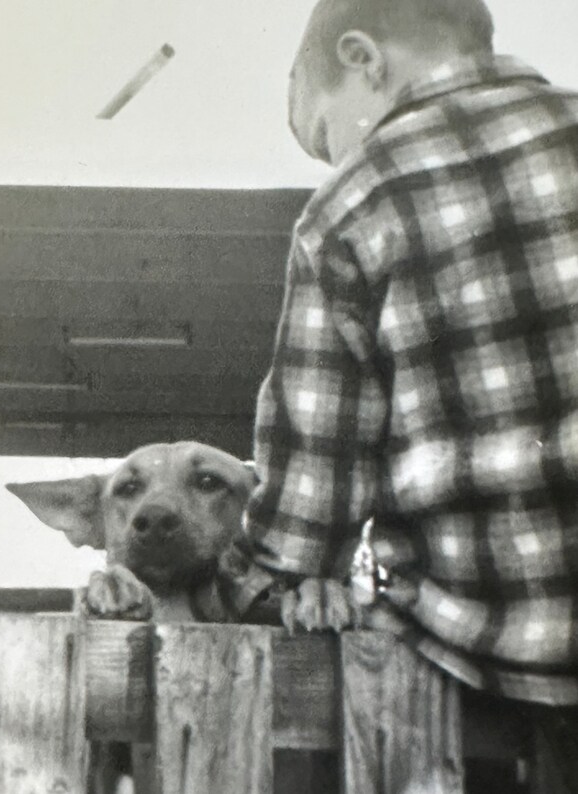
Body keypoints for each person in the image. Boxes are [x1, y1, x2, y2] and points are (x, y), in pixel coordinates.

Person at [197, 0, 578, 785]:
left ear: (364, 57)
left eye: (327, 134)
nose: (333, 162)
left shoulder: (350, 208)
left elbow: (307, 517)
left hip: (485, 660)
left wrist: (254, 579)